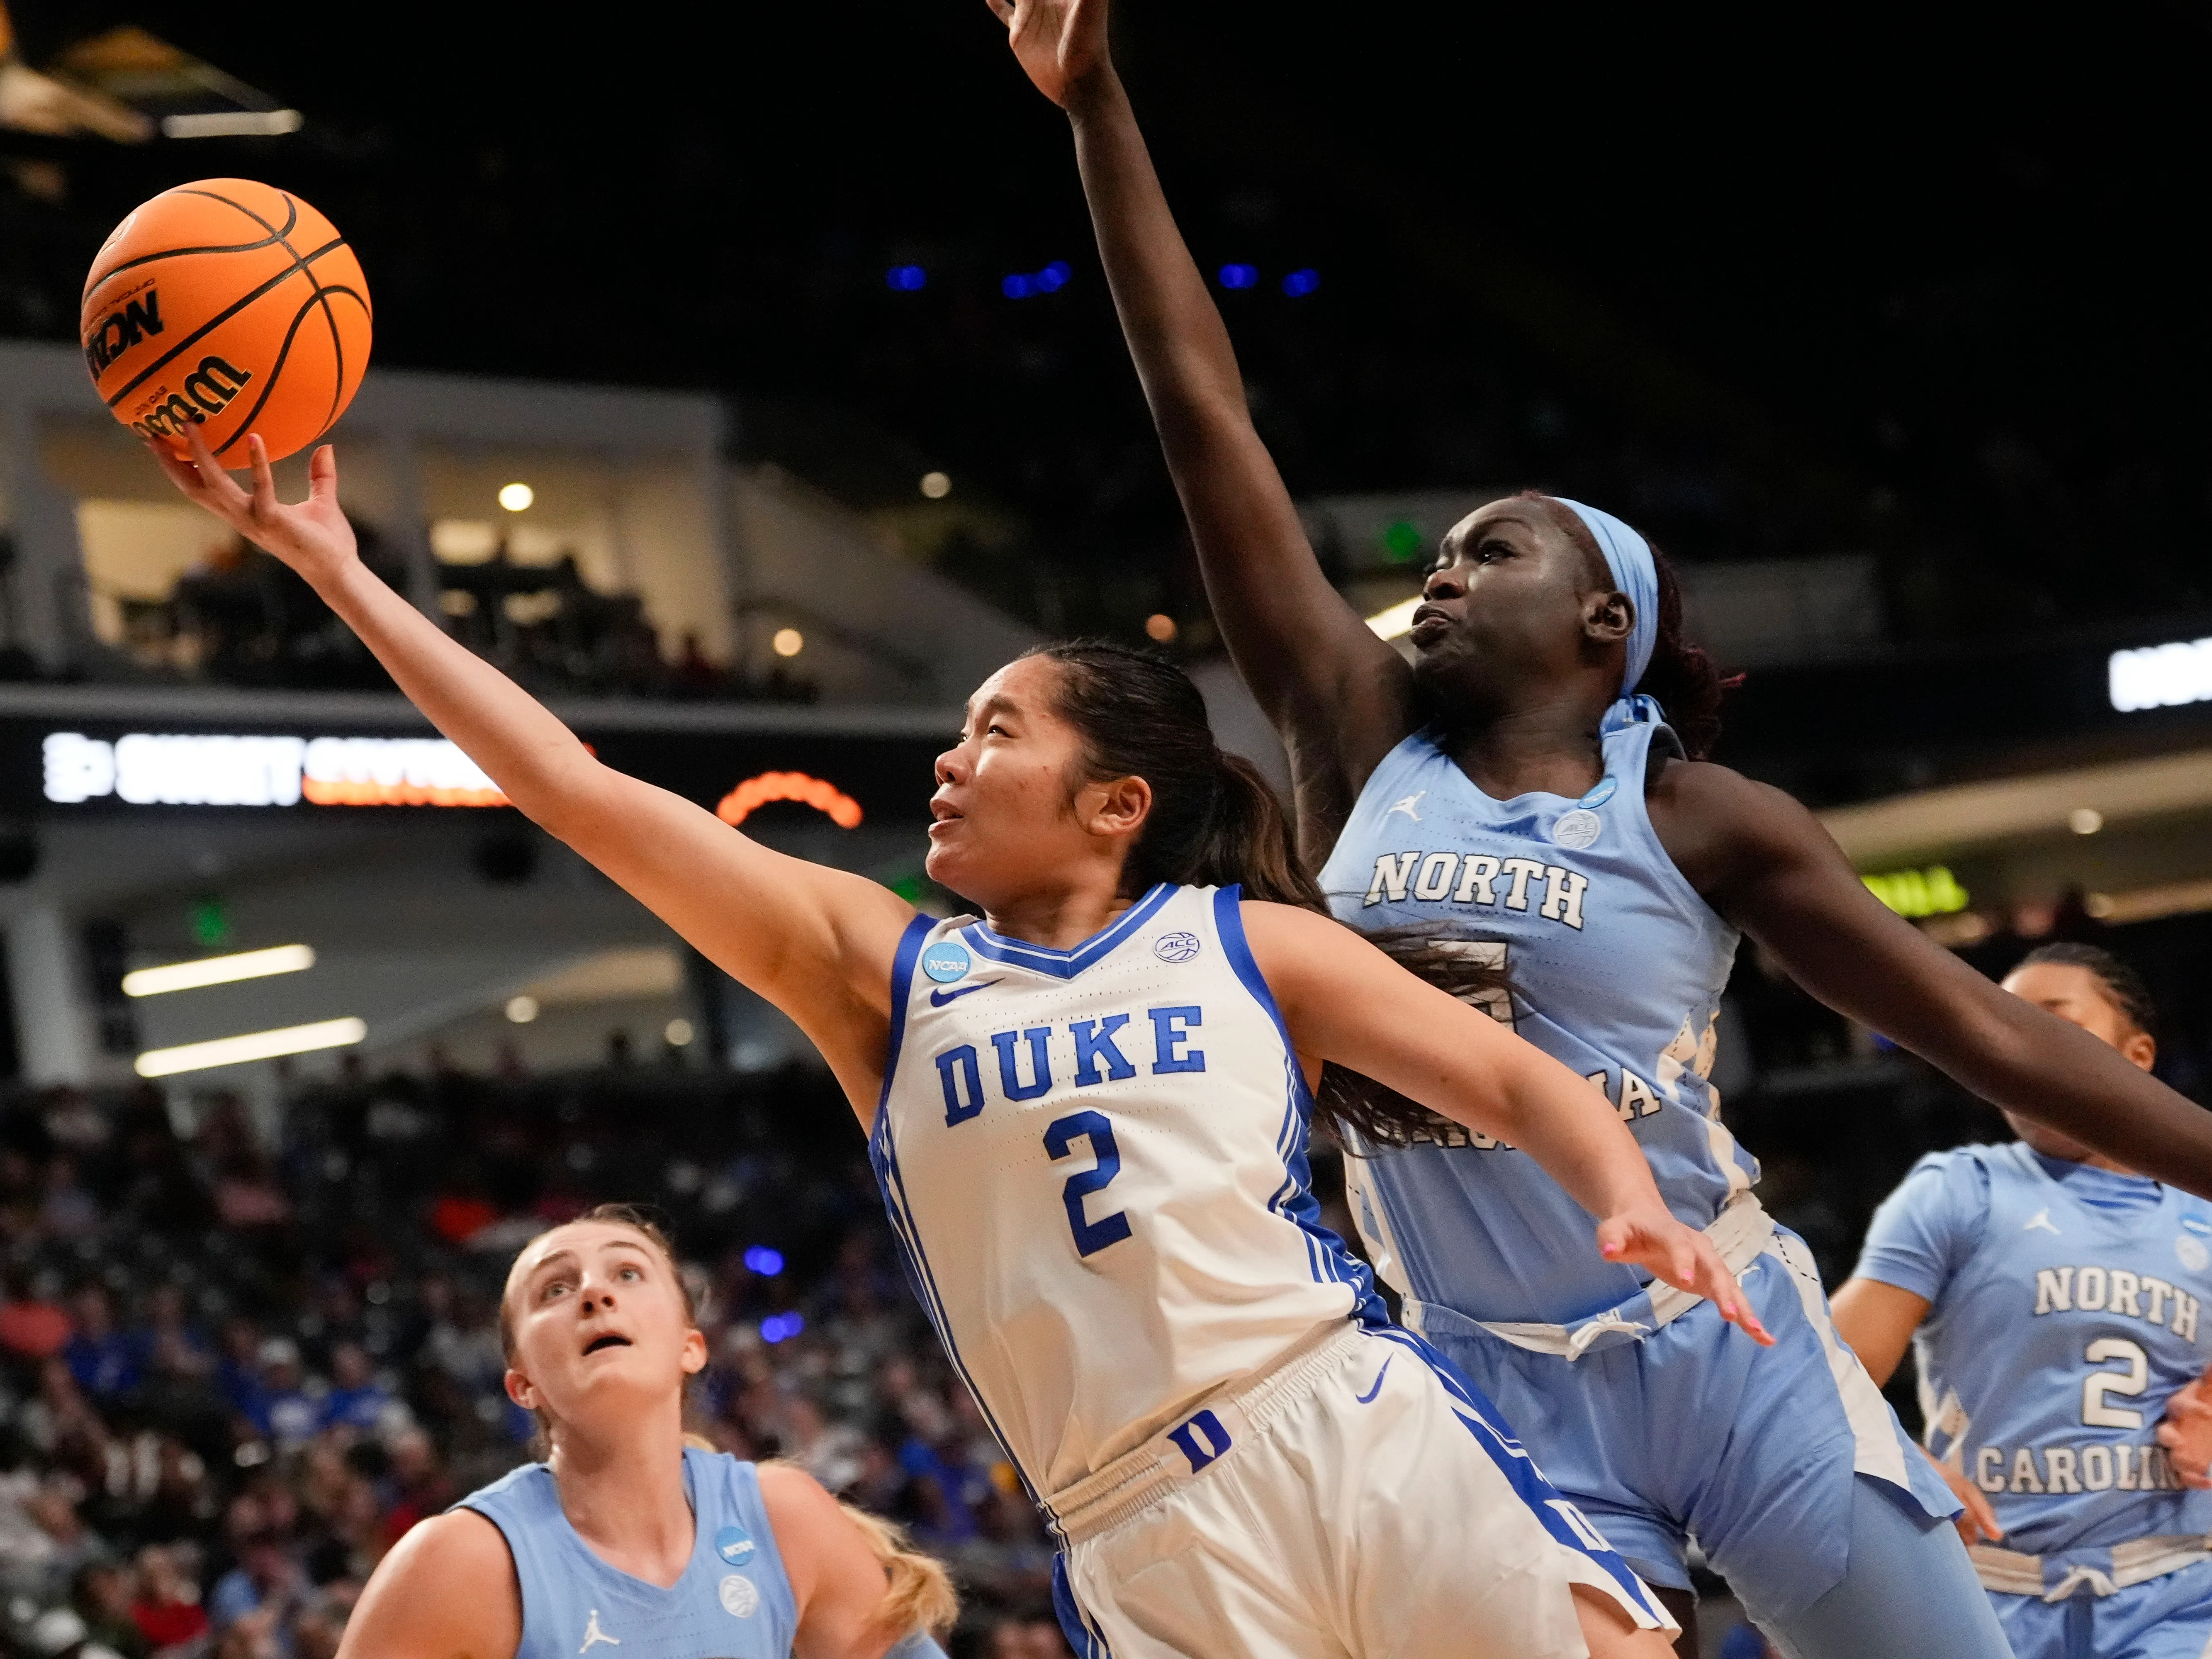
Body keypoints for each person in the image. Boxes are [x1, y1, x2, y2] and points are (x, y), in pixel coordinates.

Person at [986, 2, 2212, 1653]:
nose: (1440, 572)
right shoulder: (1356, 737)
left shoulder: (1702, 815)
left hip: (1732, 1347)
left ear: (1602, 620)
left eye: (1492, 551)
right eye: (1441, 554)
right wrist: (1095, 107)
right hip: (1483, 1380)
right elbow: (1204, 417)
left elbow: (1987, 1032)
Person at [153, 423, 1771, 1658]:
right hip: (1144, 1523)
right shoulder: (885, 971)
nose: (949, 760)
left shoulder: (1243, 940)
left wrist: (1623, 1193)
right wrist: (340, 574)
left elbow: (1511, 1077)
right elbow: (576, 790)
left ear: (1114, 801)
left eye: (995, 730)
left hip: (1343, 1420)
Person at [337, 1205, 957, 1659]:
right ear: (523, 1384)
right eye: (556, 1288)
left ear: (692, 1346)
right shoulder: (460, 1563)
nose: (594, 1293)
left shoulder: (783, 1518)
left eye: (628, 1273)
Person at [1832, 944, 2212, 1659]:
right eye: (2003, 1031)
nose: (2021, 1052)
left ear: (2137, 1056)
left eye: (2053, 1022)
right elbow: (1821, 1371)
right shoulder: (1958, 1189)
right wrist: (1901, 1456)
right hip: (1990, 1591)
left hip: (2180, 1590)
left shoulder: (2204, 1204)